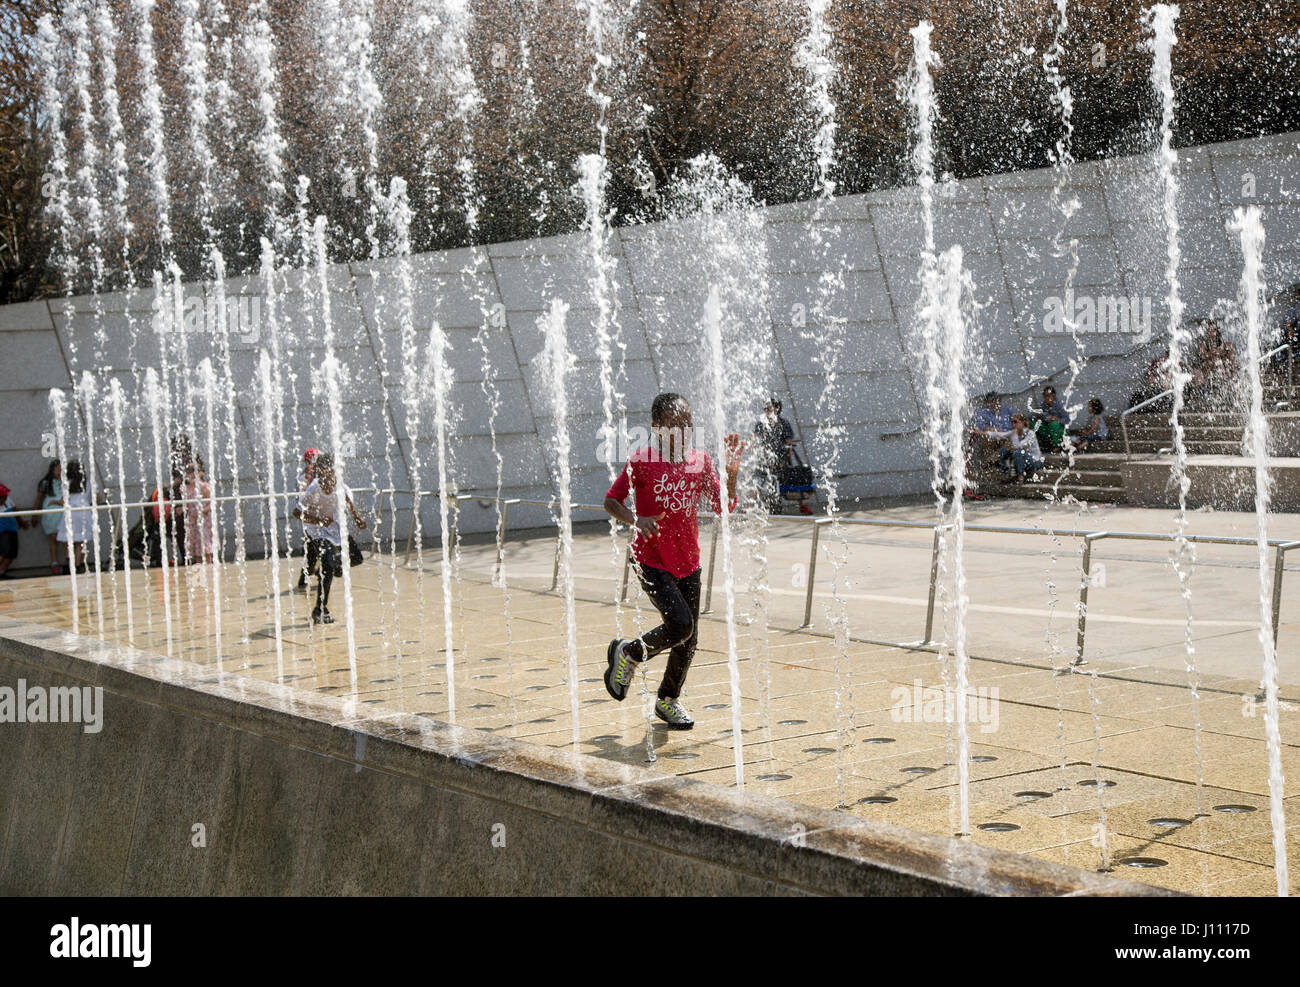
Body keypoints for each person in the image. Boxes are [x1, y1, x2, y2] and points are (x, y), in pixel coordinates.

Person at [603, 393, 744, 730]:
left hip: (688, 561)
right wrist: (637, 519)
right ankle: (630, 654)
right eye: (674, 425)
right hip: (650, 559)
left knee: (689, 639)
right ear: (656, 428)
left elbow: (722, 507)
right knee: (681, 625)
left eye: (687, 424)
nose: (682, 430)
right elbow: (611, 501)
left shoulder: (701, 461)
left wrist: (732, 473)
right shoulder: (641, 461)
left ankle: (667, 700)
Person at [293, 452, 367, 625]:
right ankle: (320, 609)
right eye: (331, 468)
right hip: (317, 531)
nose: (334, 471)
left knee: (357, 558)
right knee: (327, 565)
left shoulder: (340, 486)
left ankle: (334, 568)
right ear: (322, 469)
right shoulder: (314, 488)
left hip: (334, 529)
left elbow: (348, 502)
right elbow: (297, 513)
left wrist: (357, 519)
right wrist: (318, 521)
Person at [752, 398, 811, 515]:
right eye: (765, 409)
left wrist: (786, 459)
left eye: (769, 408)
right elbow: (754, 437)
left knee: (792, 479)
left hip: (781, 457)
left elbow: (789, 443)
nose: (766, 411)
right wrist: (753, 446)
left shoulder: (784, 423)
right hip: (765, 457)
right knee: (758, 481)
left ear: (776, 409)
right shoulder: (761, 423)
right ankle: (749, 506)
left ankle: (802, 505)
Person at [56, 460, 103, 573]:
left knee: (68, 540)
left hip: (70, 512)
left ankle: (68, 563)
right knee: (79, 542)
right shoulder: (88, 482)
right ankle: (77, 565)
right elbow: (97, 498)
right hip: (83, 512)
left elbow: (63, 501)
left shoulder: (66, 483)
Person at [978, 413, 1044, 484]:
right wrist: (981, 432)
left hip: (1035, 461)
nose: (1013, 424)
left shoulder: (1030, 433)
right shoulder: (1014, 433)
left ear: (1022, 423)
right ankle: (1007, 474)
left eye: (1015, 422)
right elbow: (999, 435)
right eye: (1012, 422)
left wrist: (1014, 436)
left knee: (1018, 453)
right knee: (1003, 451)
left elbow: (1019, 446)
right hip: (1021, 460)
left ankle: (1020, 476)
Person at [32, 461, 63, 575]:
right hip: (51, 512)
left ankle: (70, 562)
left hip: (63, 512)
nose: (60, 472)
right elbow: (38, 499)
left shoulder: (66, 482)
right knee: (54, 538)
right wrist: (34, 514)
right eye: (58, 469)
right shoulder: (45, 483)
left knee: (66, 538)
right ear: (52, 470)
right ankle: (54, 563)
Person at [180, 463, 215, 564]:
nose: (191, 476)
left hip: (204, 521)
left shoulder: (203, 487)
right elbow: (187, 505)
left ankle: (209, 569)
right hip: (192, 521)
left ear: (199, 474)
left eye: (193, 474)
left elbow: (213, 503)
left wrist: (201, 512)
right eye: (189, 474)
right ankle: (200, 569)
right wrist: (182, 509)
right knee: (196, 549)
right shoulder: (185, 488)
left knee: (204, 547)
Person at [297, 447, 321, 590]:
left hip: (324, 520)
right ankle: (307, 575)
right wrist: (306, 478)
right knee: (312, 551)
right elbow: (301, 497)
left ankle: (320, 571)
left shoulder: (322, 475)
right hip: (311, 521)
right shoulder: (303, 477)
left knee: (320, 550)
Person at [1031, 385, 1068, 452]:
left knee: (1053, 424)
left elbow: (1067, 420)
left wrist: (1057, 419)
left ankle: (1057, 446)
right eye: (1045, 396)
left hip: (1060, 430)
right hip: (1048, 428)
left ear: (1053, 396)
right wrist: (1037, 415)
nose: (1046, 398)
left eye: (1048, 395)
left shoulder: (1060, 405)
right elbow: (1032, 415)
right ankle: (1039, 446)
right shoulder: (1043, 405)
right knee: (1034, 424)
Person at [0, 482, 21, 579]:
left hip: (12, 530)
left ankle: (1, 572)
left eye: (5, 496)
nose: (5, 498)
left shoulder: (8, 501)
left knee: (11, 554)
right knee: (3, 553)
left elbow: (15, 511)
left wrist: (22, 522)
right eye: (2, 497)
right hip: (3, 533)